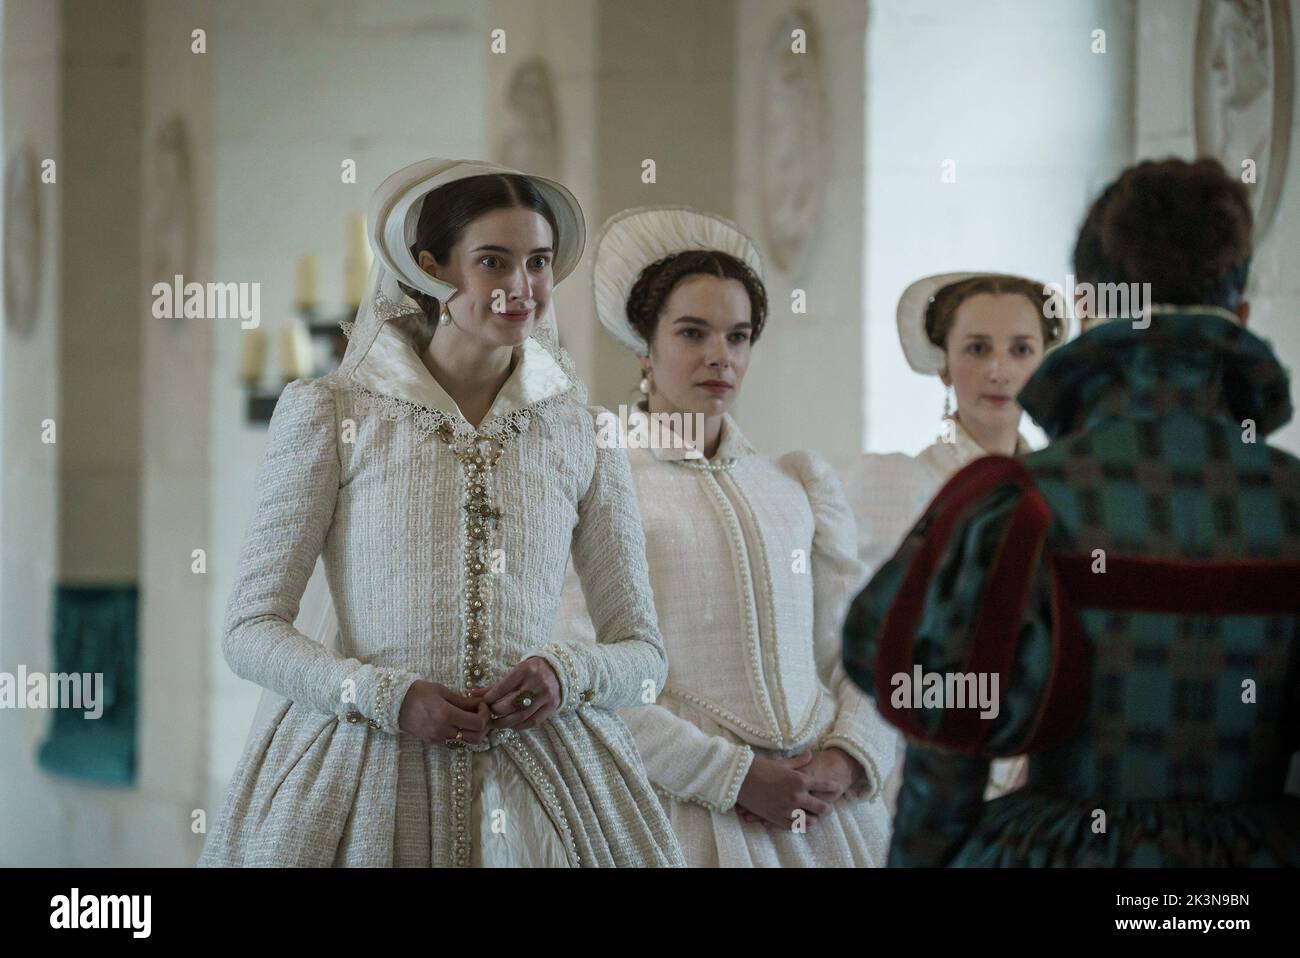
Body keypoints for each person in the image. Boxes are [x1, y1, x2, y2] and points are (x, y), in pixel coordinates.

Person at [199, 157, 685, 867]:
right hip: (362, 770)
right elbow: (249, 629)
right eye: (493, 262)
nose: (522, 287)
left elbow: (644, 656)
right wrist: (384, 696)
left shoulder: (584, 433)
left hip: (546, 786)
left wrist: (566, 674)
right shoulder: (332, 413)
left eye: (539, 262)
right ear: (430, 269)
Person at [842, 156, 1300, 866]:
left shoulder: (1016, 504)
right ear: (1239, 316)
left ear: (1085, 309)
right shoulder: (1290, 505)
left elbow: (944, 775)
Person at [561, 206, 896, 866]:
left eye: (738, 337)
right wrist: (733, 776)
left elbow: (859, 648)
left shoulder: (795, 485)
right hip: (675, 812)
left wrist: (846, 757)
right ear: (644, 345)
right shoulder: (601, 478)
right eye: (693, 333)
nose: (721, 356)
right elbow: (583, 673)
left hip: (825, 820)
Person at [843, 272, 1068, 807]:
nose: (999, 370)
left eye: (1020, 350)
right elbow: (867, 648)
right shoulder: (899, 484)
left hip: (1044, 775)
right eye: (977, 349)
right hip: (927, 766)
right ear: (944, 365)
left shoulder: (1067, 491)